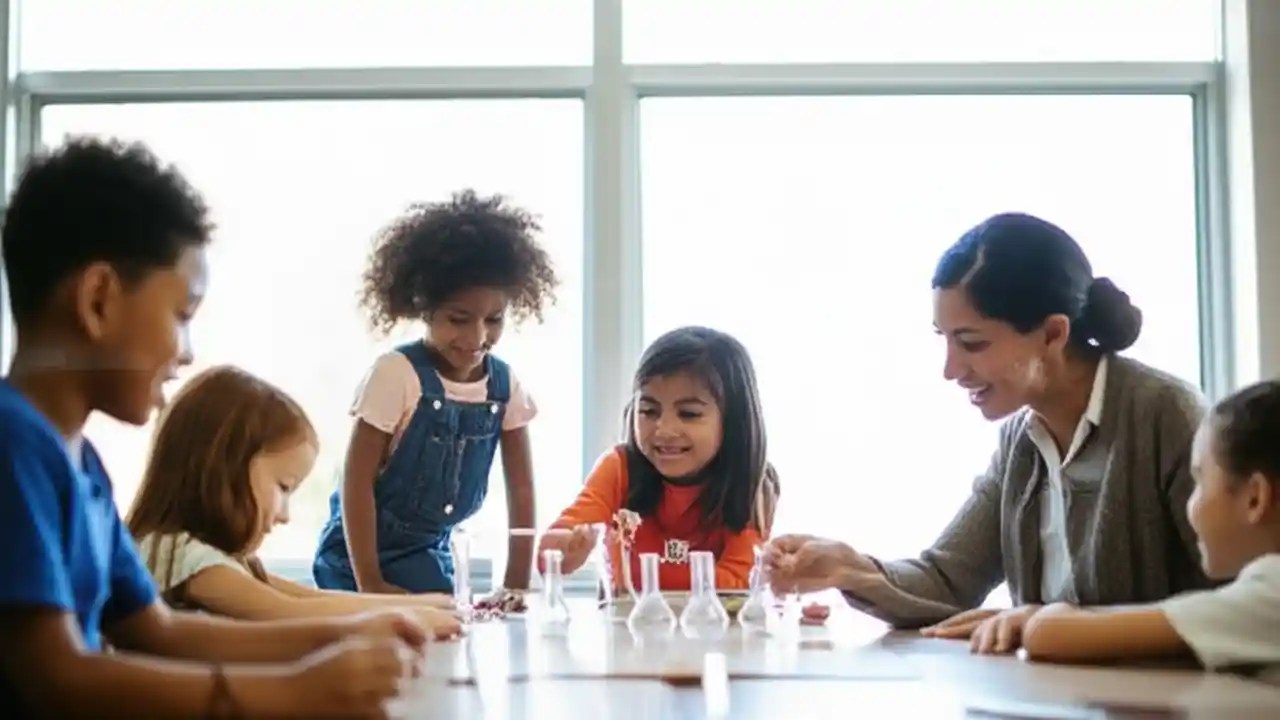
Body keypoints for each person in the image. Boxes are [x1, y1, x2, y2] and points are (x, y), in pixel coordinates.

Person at [0, 137, 425, 717]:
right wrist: (291, 692)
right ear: (98, 299)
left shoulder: (83, 466)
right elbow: (58, 676)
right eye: (182, 316)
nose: (186, 353)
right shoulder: (12, 446)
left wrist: (347, 639)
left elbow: (160, 630)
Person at [765, 212, 1212, 651]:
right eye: (944, 338)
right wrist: (848, 568)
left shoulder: (1167, 415)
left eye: (972, 343)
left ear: (1053, 333)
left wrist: (1047, 623)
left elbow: (1244, 606)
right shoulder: (1022, 438)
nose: (950, 369)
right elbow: (948, 580)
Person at [312, 190, 558, 595]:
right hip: (356, 560)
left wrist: (516, 582)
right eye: (458, 319)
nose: (477, 337)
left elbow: (522, 489)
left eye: (494, 319)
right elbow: (354, 483)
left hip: (429, 556)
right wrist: (369, 583)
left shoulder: (504, 386)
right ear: (424, 309)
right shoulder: (396, 374)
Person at [127, 365, 461, 638]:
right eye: (283, 487)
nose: (285, 516)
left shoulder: (222, 560)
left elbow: (309, 597)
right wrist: (410, 616)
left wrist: (427, 604)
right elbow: (288, 613)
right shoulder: (178, 555)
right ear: (223, 470)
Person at [1020, 380, 1280, 684]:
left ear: (1254, 498)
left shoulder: (1270, 592)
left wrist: (1054, 612)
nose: (1189, 502)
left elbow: (1047, 636)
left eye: (1199, 481)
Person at [538, 326, 780, 591]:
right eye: (649, 411)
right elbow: (550, 550)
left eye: (688, 414)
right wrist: (565, 550)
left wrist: (647, 576)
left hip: (717, 630)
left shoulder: (753, 483)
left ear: (734, 421)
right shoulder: (618, 469)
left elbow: (740, 582)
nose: (664, 430)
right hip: (628, 629)